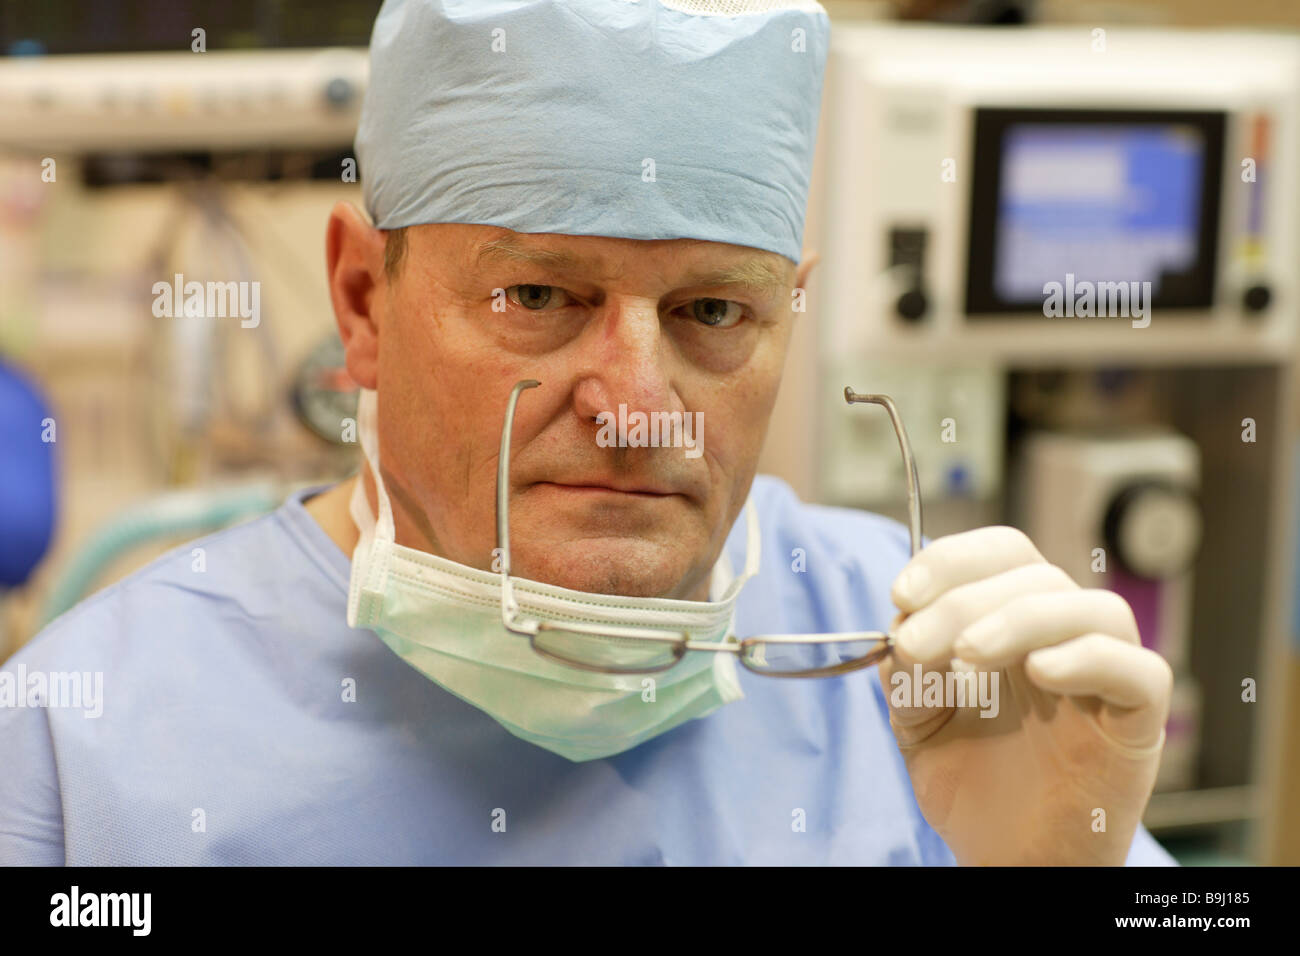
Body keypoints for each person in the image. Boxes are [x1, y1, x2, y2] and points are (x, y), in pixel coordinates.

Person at [0, 0, 1175, 865]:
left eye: (712, 311)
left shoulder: (922, 654)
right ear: (362, 302)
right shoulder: (80, 744)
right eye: (537, 298)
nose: (638, 404)